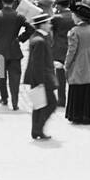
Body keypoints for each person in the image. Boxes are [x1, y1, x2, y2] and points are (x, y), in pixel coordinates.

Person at [0, 0, 31, 111]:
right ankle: (15, 102)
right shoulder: (19, 15)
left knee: (1, 76)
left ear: (2, 1)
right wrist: (21, 38)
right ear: (13, 2)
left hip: (0, 51)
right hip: (14, 51)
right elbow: (31, 28)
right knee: (15, 77)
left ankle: (4, 98)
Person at [22, 12, 58, 141]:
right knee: (51, 104)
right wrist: (41, 82)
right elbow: (37, 64)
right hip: (41, 78)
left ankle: (36, 130)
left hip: (38, 77)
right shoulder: (40, 41)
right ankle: (38, 128)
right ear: (42, 25)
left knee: (39, 104)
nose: (50, 25)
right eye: (48, 23)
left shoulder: (37, 37)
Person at [51, 0, 76, 107]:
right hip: (73, 48)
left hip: (60, 49)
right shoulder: (74, 16)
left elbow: (51, 32)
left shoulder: (56, 18)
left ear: (59, 6)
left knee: (60, 77)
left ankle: (62, 100)